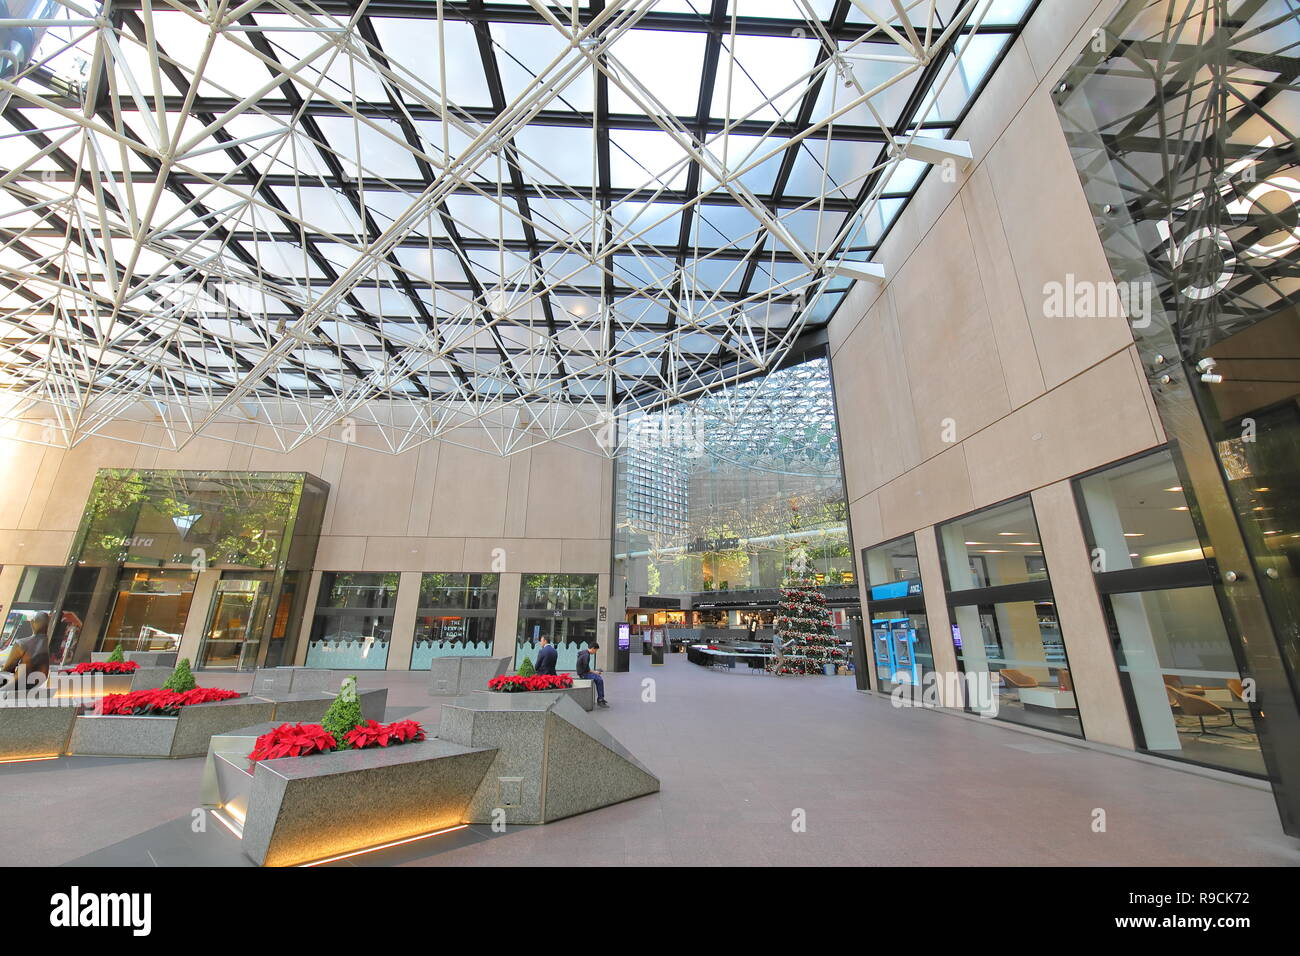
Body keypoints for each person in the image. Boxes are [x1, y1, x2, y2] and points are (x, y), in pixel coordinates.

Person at [1, 611, 51, 688]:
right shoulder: (46, 644)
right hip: (36, 685)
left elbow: (7, 669)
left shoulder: (22, 643)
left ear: (33, 623)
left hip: (17, 685)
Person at [576, 641, 607, 707]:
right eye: (596, 650)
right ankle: (600, 699)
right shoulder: (586, 655)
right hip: (583, 674)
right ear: (593, 648)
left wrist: (595, 672)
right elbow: (586, 669)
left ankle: (601, 698)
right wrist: (595, 672)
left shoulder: (584, 652)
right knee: (599, 679)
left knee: (598, 677)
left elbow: (586, 667)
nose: (595, 652)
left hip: (582, 673)